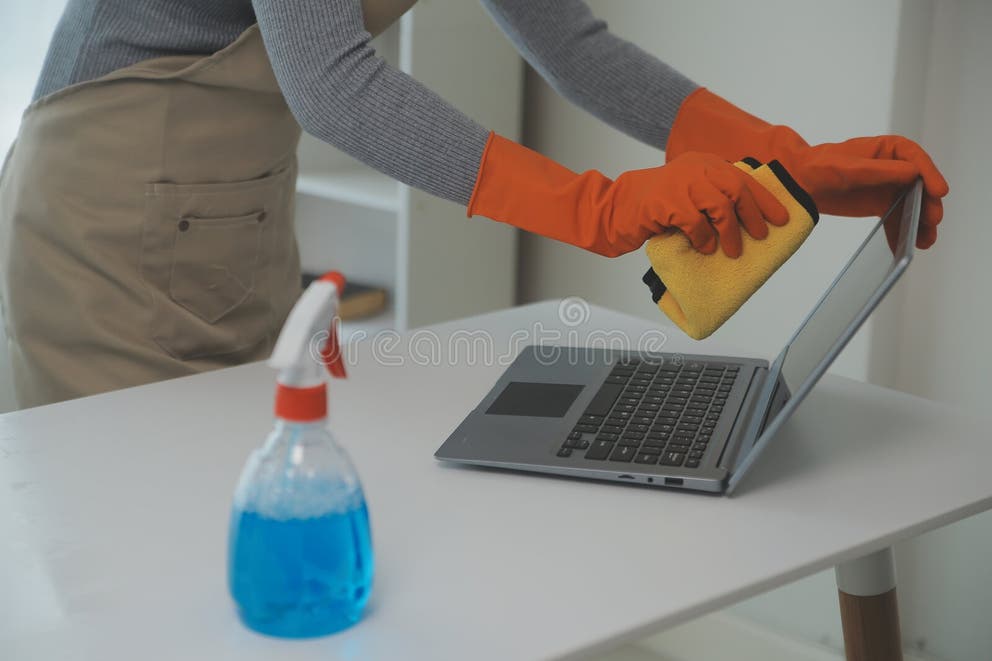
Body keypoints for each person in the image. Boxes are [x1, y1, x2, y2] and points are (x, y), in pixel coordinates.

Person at [0, 0, 947, 409]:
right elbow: (333, 85)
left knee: (247, 539)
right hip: (109, 213)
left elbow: (572, 44)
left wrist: (784, 160)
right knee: (133, 564)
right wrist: (594, 206)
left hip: (232, 214)